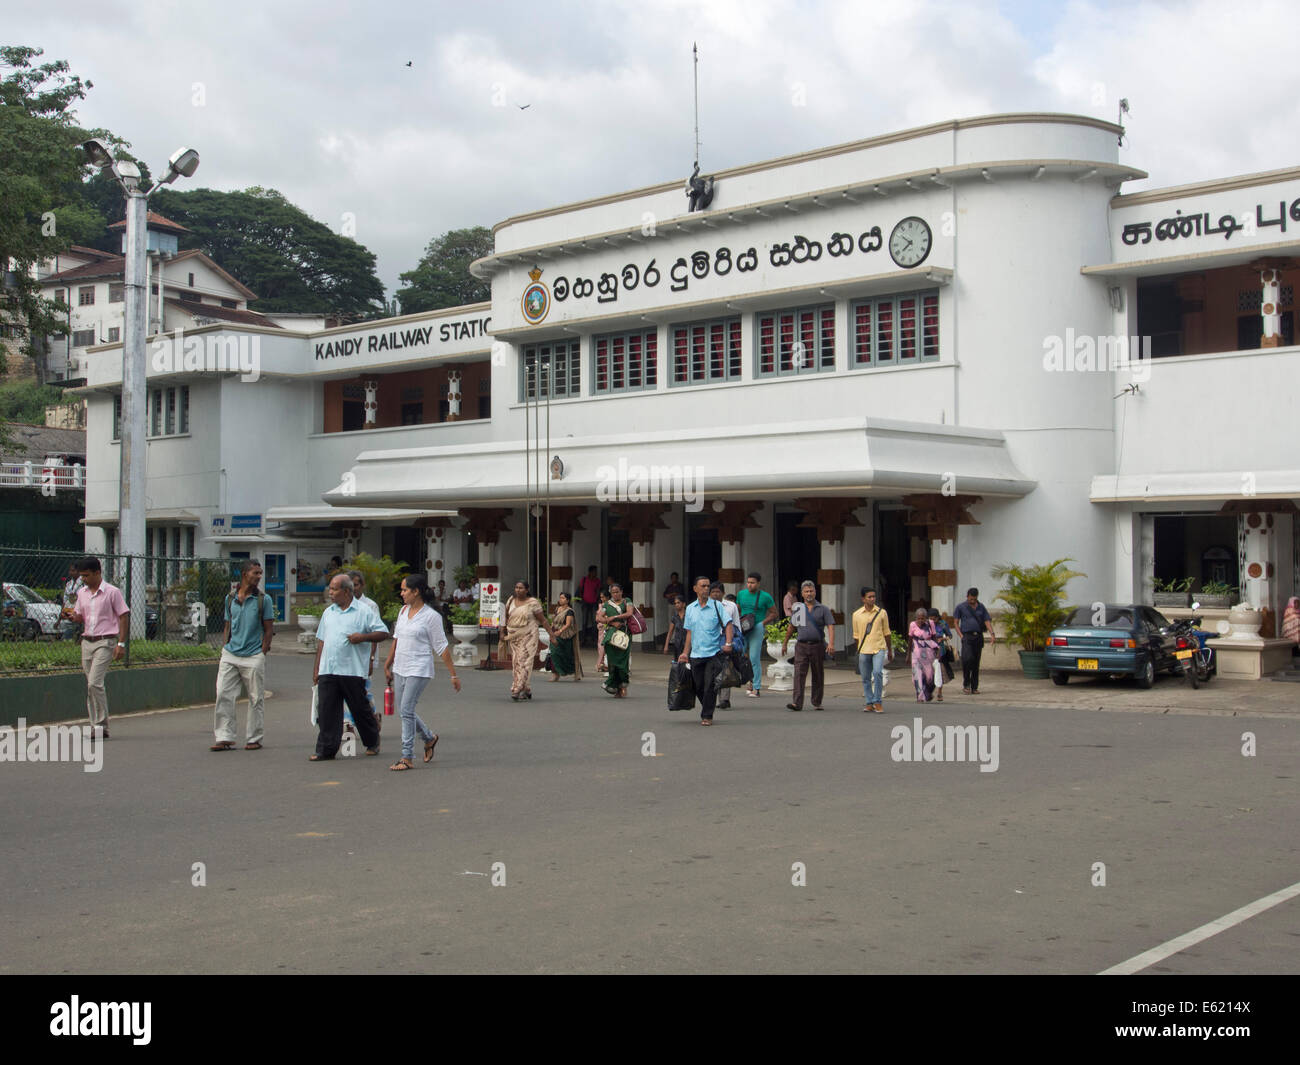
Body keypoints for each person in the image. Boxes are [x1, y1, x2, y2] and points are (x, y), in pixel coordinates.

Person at [383, 575, 461, 771]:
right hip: (400, 666)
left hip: (419, 668)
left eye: (404, 590)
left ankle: (406, 756)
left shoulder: (431, 616)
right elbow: (397, 639)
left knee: (407, 710)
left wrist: (453, 675)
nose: (402, 594)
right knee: (404, 710)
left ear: (416, 591)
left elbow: (442, 647)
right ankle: (429, 738)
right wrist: (388, 663)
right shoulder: (402, 611)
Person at [311, 573, 390, 760]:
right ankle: (326, 750)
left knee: (359, 708)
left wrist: (362, 637)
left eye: (334, 589)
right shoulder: (328, 612)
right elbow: (322, 641)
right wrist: (316, 669)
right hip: (328, 669)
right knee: (327, 710)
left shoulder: (364, 611)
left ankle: (372, 740)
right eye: (330, 588)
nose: (330, 593)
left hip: (352, 670)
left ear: (346, 591)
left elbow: (383, 632)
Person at [209, 560, 276, 751]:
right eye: (256, 573)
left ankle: (254, 738)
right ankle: (224, 737)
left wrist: (262, 651)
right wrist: (225, 647)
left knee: (256, 698)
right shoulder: (229, 598)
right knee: (223, 694)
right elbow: (227, 625)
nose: (259, 576)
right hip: (230, 653)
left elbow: (269, 629)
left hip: (253, 655)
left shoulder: (264, 600)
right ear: (245, 574)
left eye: (260, 573)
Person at [71, 556, 129, 738]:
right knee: (91, 685)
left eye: (87, 575)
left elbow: (123, 615)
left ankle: (100, 725)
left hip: (106, 641)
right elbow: (80, 615)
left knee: (95, 682)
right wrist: (74, 617)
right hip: (87, 641)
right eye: (82, 576)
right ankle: (96, 724)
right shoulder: (82, 593)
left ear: (98, 573)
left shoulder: (112, 592)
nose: (84, 579)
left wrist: (121, 643)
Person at [678, 575, 735, 726]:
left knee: (710, 684)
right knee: (698, 685)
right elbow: (689, 633)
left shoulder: (716, 606)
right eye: (702, 586)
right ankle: (708, 706)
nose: (706, 588)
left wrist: (728, 643)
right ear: (695, 589)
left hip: (713, 653)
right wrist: (685, 653)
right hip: (696, 654)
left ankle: (707, 715)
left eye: (707, 586)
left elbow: (728, 624)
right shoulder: (690, 608)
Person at [781, 580, 835, 711]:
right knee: (799, 673)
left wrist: (831, 643)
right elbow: (791, 626)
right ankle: (797, 703)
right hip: (801, 646)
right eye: (806, 591)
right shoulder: (798, 608)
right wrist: (785, 642)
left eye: (811, 591)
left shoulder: (823, 609)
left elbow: (830, 626)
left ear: (815, 592)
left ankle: (817, 701)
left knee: (817, 673)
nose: (809, 593)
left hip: (817, 645)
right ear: (802, 594)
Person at [503, 580, 553, 701]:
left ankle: (518, 687)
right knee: (516, 662)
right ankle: (526, 689)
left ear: (527, 589)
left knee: (524, 661)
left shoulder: (533, 603)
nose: (518, 590)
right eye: (516, 587)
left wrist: (551, 635)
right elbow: (505, 617)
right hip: (514, 636)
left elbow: (543, 620)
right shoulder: (511, 600)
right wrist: (502, 632)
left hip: (529, 635)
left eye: (521, 588)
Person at [735, 571, 777, 699]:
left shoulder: (765, 597)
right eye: (748, 582)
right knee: (741, 655)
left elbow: (774, 613)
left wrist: (762, 623)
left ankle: (756, 687)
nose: (749, 585)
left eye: (752, 583)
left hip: (757, 627)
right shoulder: (741, 594)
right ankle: (750, 681)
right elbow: (737, 609)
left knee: (754, 657)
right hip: (743, 627)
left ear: (758, 583)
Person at [852, 586, 891, 713]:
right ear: (863, 599)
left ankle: (877, 701)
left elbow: (887, 632)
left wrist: (889, 650)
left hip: (879, 647)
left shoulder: (882, 613)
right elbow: (856, 636)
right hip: (864, 649)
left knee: (878, 673)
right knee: (865, 677)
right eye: (869, 597)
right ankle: (869, 702)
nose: (872, 599)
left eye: (874, 596)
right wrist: (858, 650)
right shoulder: (856, 615)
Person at [953, 587, 996, 694]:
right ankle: (966, 684)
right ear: (967, 596)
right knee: (967, 659)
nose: (972, 601)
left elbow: (986, 621)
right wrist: (961, 635)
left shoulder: (981, 607)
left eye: (974, 599)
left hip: (978, 637)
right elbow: (955, 623)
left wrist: (992, 634)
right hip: (967, 636)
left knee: (976, 663)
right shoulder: (961, 607)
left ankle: (974, 687)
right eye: (970, 599)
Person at [710, 584, 743, 709]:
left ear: (723, 593)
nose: (715, 594)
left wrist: (737, 641)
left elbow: (736, 624)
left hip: (726, 640)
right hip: (711, 641)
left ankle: (724, 699)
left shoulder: (731, 606)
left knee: (725, 668)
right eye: (713, 592)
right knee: (714, 669)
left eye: (718, 591)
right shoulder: (706, 606)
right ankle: (714, 696)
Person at [602, 583, 634, 697]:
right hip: (611, 635)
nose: (615, 594)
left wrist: (615, 617)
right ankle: (614, 686)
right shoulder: (606, 604)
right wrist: (610, 622)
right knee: (612, 662)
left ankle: (623, 685)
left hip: (624, 634)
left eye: (617, 592)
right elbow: (598, 617)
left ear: (621, 591)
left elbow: (629, 613)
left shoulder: (627, 601)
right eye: (613, 592)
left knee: (623, 661)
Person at [549, 591, 582, 682]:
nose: (560, 600)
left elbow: (568, 624)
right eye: (560, 598)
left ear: (567, 600)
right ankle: (555, 674)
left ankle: (575, 672)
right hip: (555, 633)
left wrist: (560, 631)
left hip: (564, 635)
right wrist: (551, 631)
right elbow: (554, 620)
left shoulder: (569, 611)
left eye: (563, 598)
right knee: (554, 653)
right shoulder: (557, 609)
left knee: (567, 655)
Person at [909, 608, 941, 703]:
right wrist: (908, 655)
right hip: (916, 652)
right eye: (918, 618)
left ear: (926, 618)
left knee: (929, 676)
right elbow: (910, 639)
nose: (920, 620)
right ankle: (920, 696)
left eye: (922, 618)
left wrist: (937, 651)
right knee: (917, 674)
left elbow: (934, 637)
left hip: (929, 652)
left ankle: (927, 693)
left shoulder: (930, 624)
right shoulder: (912, 625)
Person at [927, 607, 955, 702]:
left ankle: (939, 692)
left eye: (934, 618)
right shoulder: (926, 625)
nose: (932, 620)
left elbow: (949, 635)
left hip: (940, 652)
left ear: (938, 618)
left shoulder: (943, 624)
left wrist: (942, 639)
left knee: (940, 673)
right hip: (929, 651)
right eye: (930, 618)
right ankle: (929, 691)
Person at [578, 565, 602, 646]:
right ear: (590, 572)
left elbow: (598, 591)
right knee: (584, 621)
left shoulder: (597, 581)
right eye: (594, 571)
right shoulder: (584, 579)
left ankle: (594, 639)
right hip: (585, 603)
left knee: (595, 621)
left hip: (594, 603)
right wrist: (581, 600)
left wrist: (597, 600)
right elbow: (580, 590)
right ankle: (583, 639)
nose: (596, 573)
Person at [60, 563, 84, 640]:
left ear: (78, 571)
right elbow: (65, 599)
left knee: (77, 627)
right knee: (69, 625)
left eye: (73, 571)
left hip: (79, 609)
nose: (71, 573)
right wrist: (62, 610)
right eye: (70, 571)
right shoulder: (69, 584)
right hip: (69, 608)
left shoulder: (83, 583)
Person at [663, 595, 688, 659]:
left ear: (684, 604)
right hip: (677, 644)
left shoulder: (689, 616)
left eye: (678, 603)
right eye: (675, 603)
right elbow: (670, 632)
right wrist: (666, 645)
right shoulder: (674, 617)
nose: (676, 605)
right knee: (678, 664)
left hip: (687, 644)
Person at [595, 589, 610, 672]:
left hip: (607, 627)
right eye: (601, 597)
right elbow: (597, 617)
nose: (602, 599)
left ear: (607, 597)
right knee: (600, 647)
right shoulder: (600, 605)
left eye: (603, 597)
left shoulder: (610, 605)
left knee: (606, 647)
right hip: (601, 628)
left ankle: (605, 664)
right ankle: (601, 664)